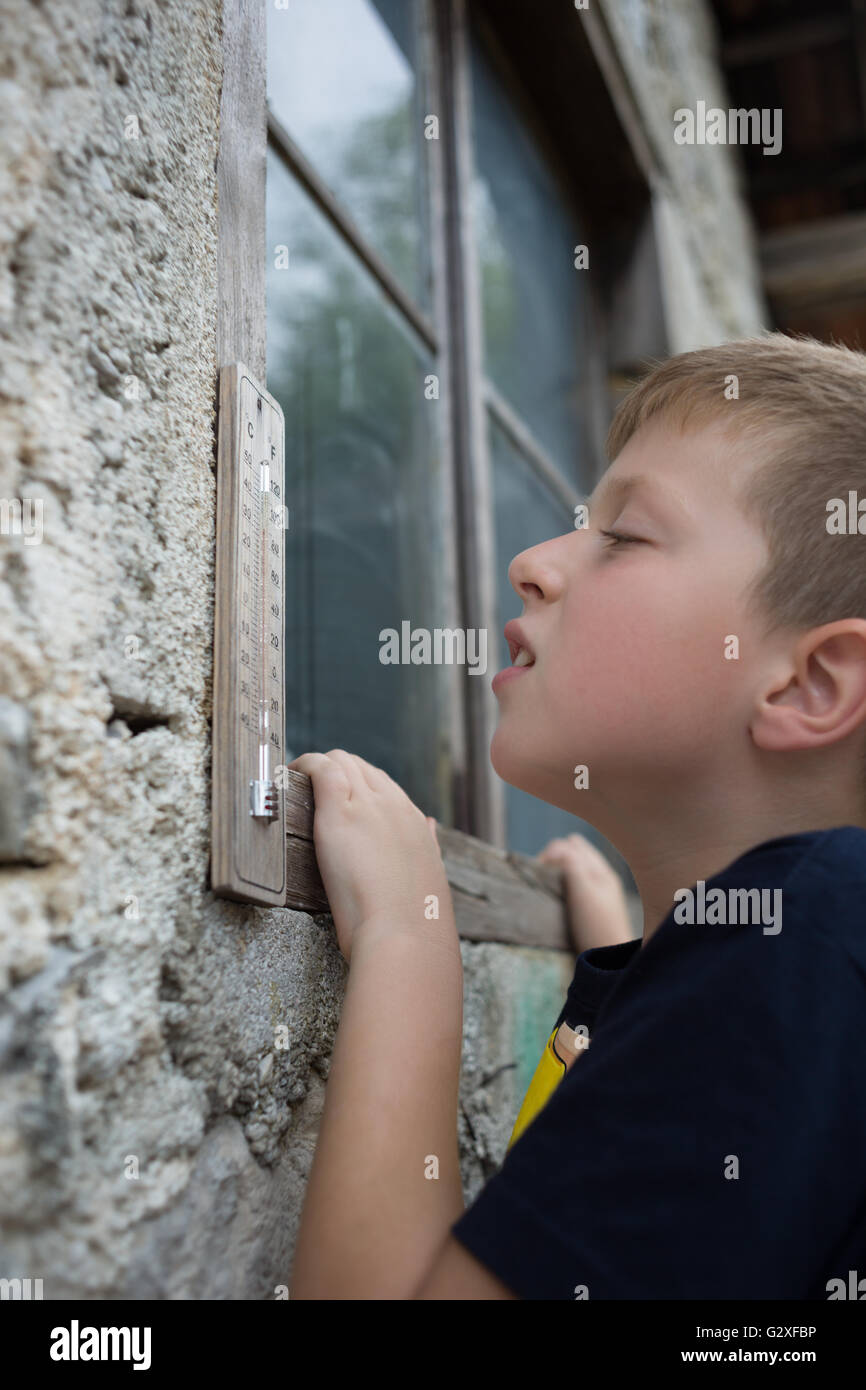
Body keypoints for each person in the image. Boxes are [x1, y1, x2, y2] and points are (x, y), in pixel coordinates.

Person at [287, 333, 866, 1299]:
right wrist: (621, 942)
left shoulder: (804, 938)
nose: (531, 561)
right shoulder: (790, 950)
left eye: (624, 537)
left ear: (811, 684)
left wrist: (409, 933)